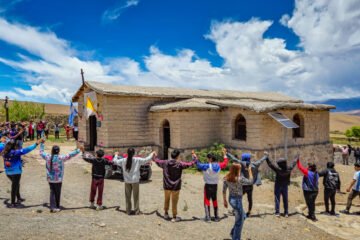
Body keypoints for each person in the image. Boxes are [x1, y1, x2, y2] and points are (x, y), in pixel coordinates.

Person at [153, 149, 196, 222]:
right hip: (176, 186)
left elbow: (157, 161)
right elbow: (190, 164)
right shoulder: (180, 164)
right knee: (174, 202)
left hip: (167, 185)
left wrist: (155, 156)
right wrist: (194, 158)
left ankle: (166, 213)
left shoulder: (165, 163)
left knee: (166, 200)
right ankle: (174, 217)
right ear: (178, 156)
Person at [39, 141, 81, 212]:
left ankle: (52, 207)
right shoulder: (61, 157)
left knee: (52, 192)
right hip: (58, 179)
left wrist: (42, 144)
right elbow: (70, 155)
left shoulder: (48, 157)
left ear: (52, 150)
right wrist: (78, 150)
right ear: (59, 151)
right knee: (57, 192)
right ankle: (57, 206)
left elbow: (41, 152)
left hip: (50, 179)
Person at [112, 148, 155, 215]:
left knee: (127, 196)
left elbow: (115, 161)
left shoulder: (123, 160)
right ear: (134, 153)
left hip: (127, 181)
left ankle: (128, 210)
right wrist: (152, 153)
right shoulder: (137, 160)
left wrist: (116, 155)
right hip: (135, 180)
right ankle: (136, 210)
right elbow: (147, 159)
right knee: (136, 196)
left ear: (127, 153)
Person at [2, 139, 43, 207]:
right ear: (14, 146)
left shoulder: (4, 153)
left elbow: (4, 144)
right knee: (14, 186)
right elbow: (27, 149)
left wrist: (5, 201)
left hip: (8, 172)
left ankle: (18, 198)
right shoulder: (16, 152)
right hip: (16, 172)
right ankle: (13, 203)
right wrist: (36, 143)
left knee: (16, 184)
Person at [227, 152, 268, 217]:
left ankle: (235, 210)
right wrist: (265, 156)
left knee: (238, 198)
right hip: (250, 185)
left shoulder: (241, 163)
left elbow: (233, 158)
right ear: (249, 158)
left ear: (243, 158)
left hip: (242, 185)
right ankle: (249, 212)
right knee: (250, 199)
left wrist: (227, 153)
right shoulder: (254, 164)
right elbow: (261, 161)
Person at [195, 148, 229, 222]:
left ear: (210, 159)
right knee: (214, 200)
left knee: (206, 200)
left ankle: (208, 217)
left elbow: (198, 164)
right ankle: (216, 217)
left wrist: (195, 157)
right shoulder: (219, 165)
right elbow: (225, 163)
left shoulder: (206, 166)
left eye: (208, 158)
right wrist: (225, 154)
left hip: (208, 185)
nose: (207, 160)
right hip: (215, 185)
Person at [223, 163, 253, 240]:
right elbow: (251, 181)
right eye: (240, 169)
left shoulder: (226, 177)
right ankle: (236, 238)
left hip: (231, 200)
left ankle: (233, 232)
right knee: (240, 222)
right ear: (237, 170)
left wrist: (225, 201)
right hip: (237, 201)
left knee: (242, 216)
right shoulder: (240, 179)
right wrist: (249, 171)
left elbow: (224, 190)